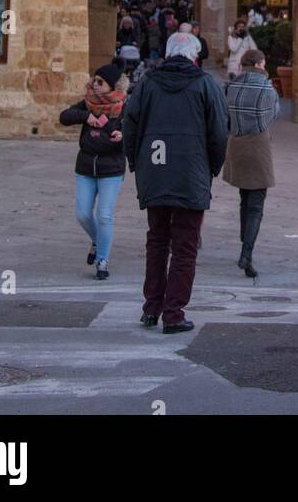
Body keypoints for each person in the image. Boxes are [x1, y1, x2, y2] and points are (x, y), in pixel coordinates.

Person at [123, 33, 228, 333]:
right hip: (191, 173)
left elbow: (130, 124)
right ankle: (174, 312)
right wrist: (212, 167)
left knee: (157, 239)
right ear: (195, 56)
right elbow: (219, 132)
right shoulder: (206, 85)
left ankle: (151, 307)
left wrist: (136, 163)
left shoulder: (147, 84)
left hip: (155, 172)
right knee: (185, 244)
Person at [59, 64, 127, 281]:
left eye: (100, 82)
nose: (95, 85)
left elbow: (136, 128)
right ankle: (97, 240)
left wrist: (122, 134)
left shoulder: (124, 106)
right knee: (82, 214)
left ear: (112, 86)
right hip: (86, 166)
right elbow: (64, 116)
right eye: (94, 81)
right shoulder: (88, 103)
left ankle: (103, 260)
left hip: (112, 168)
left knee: (105, 215)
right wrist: (85, 117)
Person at [222, 49, 279, 278]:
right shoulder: (266, 88)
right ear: (258, 64)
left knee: (244, 198)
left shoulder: (232, 86)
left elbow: (226, 115)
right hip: (258, 145)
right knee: (256, 203)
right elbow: (271, 115)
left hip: (236, 143)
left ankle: (244, 243)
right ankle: (246, 253)